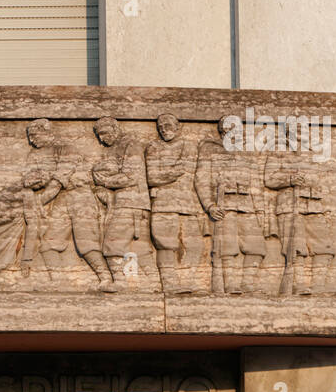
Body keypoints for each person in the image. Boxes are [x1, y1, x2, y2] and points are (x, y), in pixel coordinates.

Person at [25, 118, 116, 291]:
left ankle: (105, 278)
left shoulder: (67, 149)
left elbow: (58, 181)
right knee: (48, 243)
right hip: (61, 200)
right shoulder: (35, 154)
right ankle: (59, 282)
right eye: (29, 137)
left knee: (87, 243)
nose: (31, 140)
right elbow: (30, 178)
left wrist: (39, 201)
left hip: (81, 197)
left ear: (46, 132)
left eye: (34, 135)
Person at [195, 117, 267, 295]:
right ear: (222, 131)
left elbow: (256, 184)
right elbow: (201, 179)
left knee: (256, 247)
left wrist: (261, 212)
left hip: (247, 204)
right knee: (227, 248)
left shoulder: (248, 152)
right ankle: (231, 285)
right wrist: (209, 205)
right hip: (223, 203)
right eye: (227, 129)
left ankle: (248, 284)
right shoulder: (210, 150)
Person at [91, 117, 159, 289]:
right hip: (132, 204)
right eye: (99, 135)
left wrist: (105, 181)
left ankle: (120, 282)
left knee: (112, 243)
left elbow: (132, 176)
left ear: (115, 129)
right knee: (140, 248)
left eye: (105, 133)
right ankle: (155, 283)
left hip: (131, 202)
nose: (102, 139)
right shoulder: (113, 149)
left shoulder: (130, 145)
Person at [145, 112, 207, 296]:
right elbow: (152, 177)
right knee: (166, 244)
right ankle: (169, 283)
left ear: (178, 127)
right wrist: (174, 172)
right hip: (163, 202)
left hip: (187, 203)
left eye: (168, 125)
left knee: (196, 245)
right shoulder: (153, 147)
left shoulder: (188, 145)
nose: (164, 130)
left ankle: (188, 281)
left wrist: (168, 173)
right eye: (161, 127)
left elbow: (188, 170)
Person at [264, 147, 334, 295]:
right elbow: (269, 179)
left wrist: (327, 207)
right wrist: (289, 180)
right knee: (296, 248)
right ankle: (298, 285)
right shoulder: (278, 152)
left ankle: (319, 286)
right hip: (289, 205)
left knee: (325, 247)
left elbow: (324, 180)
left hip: (315, 205)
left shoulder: (313, 153)